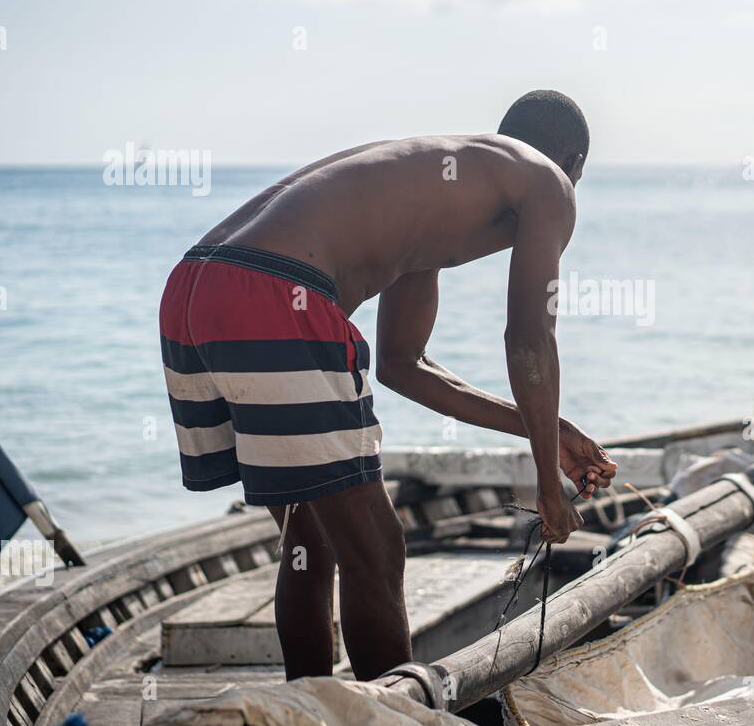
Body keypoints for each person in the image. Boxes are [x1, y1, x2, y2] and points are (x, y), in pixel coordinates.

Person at [158, 90, 618, 682]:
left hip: (195, 290)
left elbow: (403, 365)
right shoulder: (550, 183)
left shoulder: (439, 181)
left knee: (311, 536)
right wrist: (548, 483)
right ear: (575, 163)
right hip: (274, 292)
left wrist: (549, 432)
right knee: (376, 549)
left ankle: (315, 717)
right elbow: (529, 339)